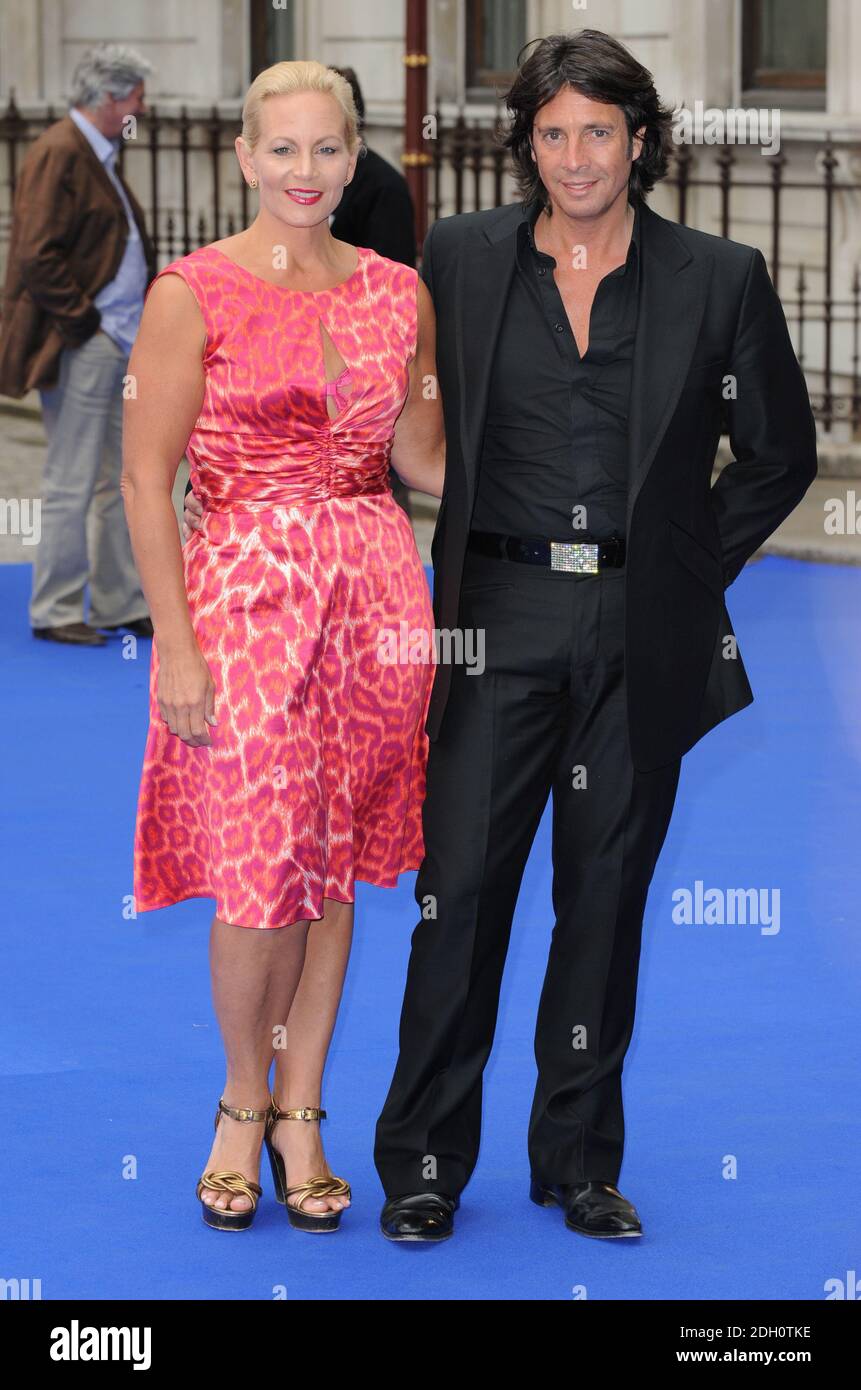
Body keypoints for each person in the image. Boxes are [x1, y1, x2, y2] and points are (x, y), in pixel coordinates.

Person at [368, 30, 818, 1242]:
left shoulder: (718, 278)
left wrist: (681, 571)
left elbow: (782, 456)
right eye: (553, 132)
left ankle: (577, 1161)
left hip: (638, 633)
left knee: (605, 900)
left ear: (640, 141)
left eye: (598, 132)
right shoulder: (459, 259)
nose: (575, 156)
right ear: (527, 143)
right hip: (493, 622)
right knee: (456, 896)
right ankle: (420, 1160)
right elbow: (410, 420)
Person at [122, 60, 444, 1233]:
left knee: (335, 860)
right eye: (283, 150)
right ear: (246, 159)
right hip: (242, 602)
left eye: (327, 149)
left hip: (372, 596)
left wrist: (580, 472)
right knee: (261, 869)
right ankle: (240, 1101)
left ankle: (304, 1106)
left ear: (353, 159)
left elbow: (422, 459)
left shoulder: (398, 291)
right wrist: (177, 643)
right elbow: (145, 483)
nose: (305, 172)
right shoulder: (189, 292)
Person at [0, 43, 155, 646]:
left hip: (116, 342)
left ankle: (119, 600)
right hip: (86, 344)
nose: (145, 105)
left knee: (122, 479)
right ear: (111, 98)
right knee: (71, 479)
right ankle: (58, 606)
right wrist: (85, 324)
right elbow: (36, 254)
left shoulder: (99, 153)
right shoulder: (61, 151)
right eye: (137, 95)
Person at [329, 66, 417, 521]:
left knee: (377, 501)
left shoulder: (382, 187)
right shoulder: (304, 187)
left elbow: (393, 291)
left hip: (366, 381)